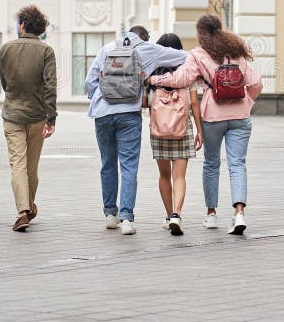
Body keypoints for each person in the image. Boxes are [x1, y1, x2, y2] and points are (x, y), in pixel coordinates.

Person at [150, 14, 262, 235]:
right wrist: (247, 103)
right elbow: (256, 83)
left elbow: (180, 80)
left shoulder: (198, 55)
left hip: (213, 117)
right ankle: (239, 213)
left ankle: (211, 214)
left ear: (200, 33)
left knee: (211, 164)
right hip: (240, 117)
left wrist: (153, 80)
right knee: (237, 164)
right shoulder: (237, 53)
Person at [85, 25, 188, 235]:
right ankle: (126, 219)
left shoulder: (107, 49)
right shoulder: (150, 49)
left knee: (107, 163)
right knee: (129, 166)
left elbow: (90, 82)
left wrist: (101, 98)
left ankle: (109, 215)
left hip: (102, 113)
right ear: (146, 37)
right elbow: (184, 56)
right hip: (129, 114)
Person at [0, 5, 57, 232]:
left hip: (12, 114)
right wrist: (51, 118)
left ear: (22, 25)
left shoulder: (6, 49)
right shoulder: (46, 51)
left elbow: (4, 82)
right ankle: (27, 208)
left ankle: (24, 210)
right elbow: (50, 86)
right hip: (37, 115)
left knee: (18, 164)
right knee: (31, 167)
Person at [145, 33, 203, 236]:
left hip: (159, 128)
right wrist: (199, 130)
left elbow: (145, 103)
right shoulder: (187, 72)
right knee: (180, 176)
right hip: (182, 127)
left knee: (164, 175)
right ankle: (177, 214)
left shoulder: (152, 73)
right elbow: (195, 103)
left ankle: (169, 216)